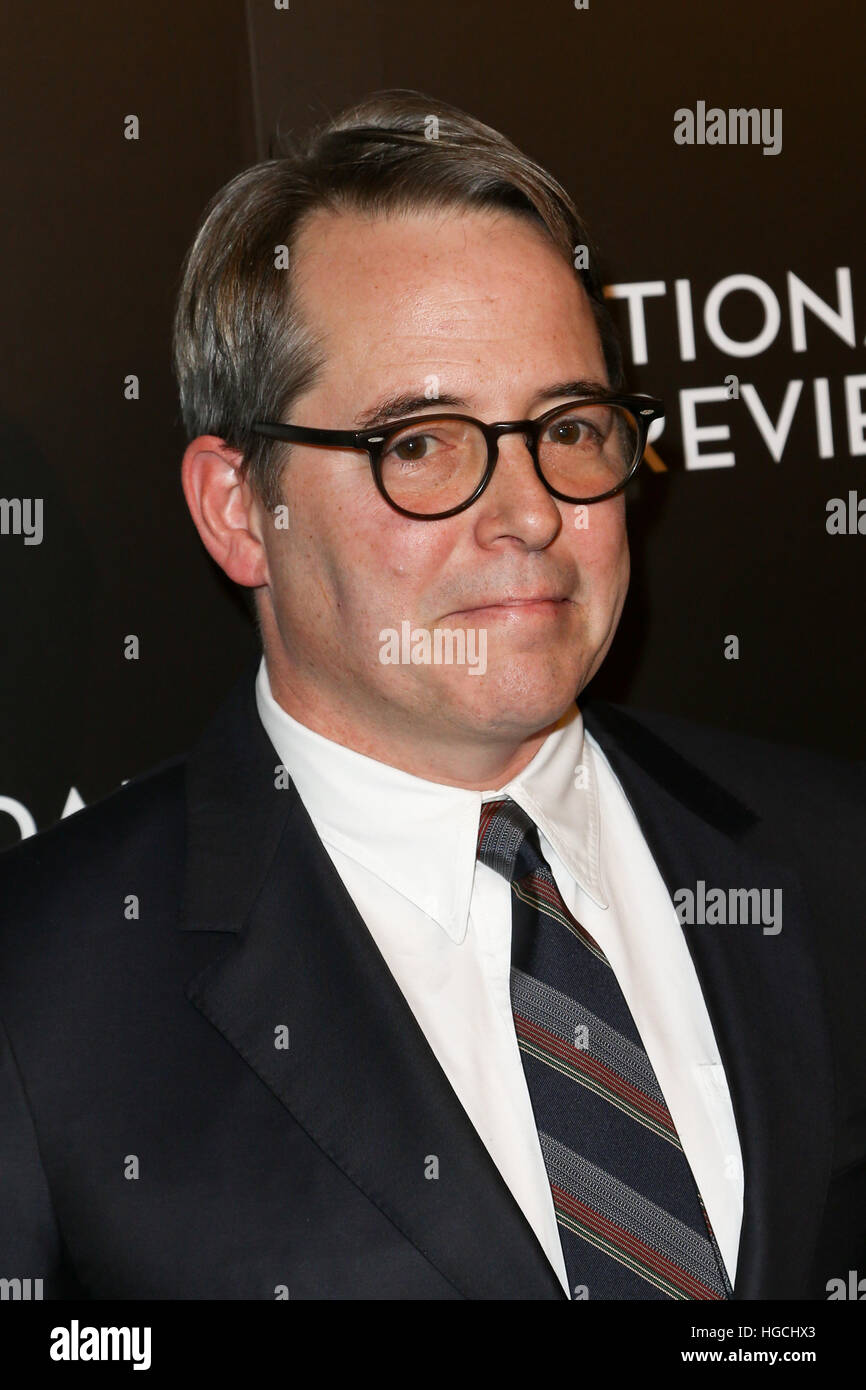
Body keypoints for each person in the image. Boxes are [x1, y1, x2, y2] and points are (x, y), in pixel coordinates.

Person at [0, 90, 863, 1302]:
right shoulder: (38, 993)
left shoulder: (831, 857)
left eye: (567, 426)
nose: (527, 513)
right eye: (420, 444)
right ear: (239, 509)